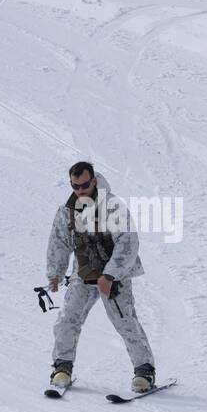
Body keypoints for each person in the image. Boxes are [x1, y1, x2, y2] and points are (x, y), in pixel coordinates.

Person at [45, 161, 156, 392]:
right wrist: (55, 273)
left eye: (84, 185)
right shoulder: (67, 211)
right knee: (67, 319)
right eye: (75, 186)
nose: (79, 191)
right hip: (83, 274)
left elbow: (128, 242)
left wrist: (110, 275)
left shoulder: (113, 207)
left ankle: (144, 371)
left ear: (94, 180)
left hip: (115, 276)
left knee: (125, 321)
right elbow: (59, 241)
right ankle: (62, 367)